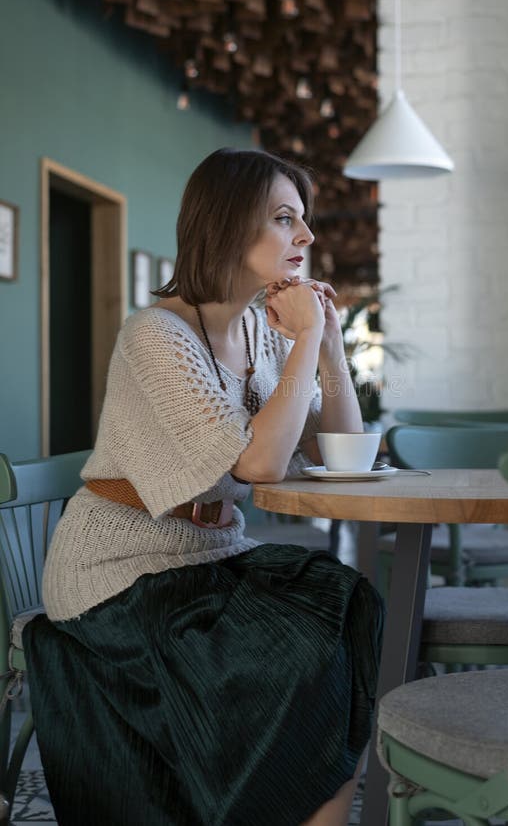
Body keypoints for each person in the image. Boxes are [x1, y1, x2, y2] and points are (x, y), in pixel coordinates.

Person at [24, 147, 384, 826]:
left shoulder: (258, 330)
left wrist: (329, 343)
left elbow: (336, 447)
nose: (304, 236)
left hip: (209, 557)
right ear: (226, 223)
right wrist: (303, 341)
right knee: (295, 652)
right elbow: (260, 465)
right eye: (284, 218)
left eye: (302, 220)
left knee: (347, 604)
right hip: (119, 571)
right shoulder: (156, 334)